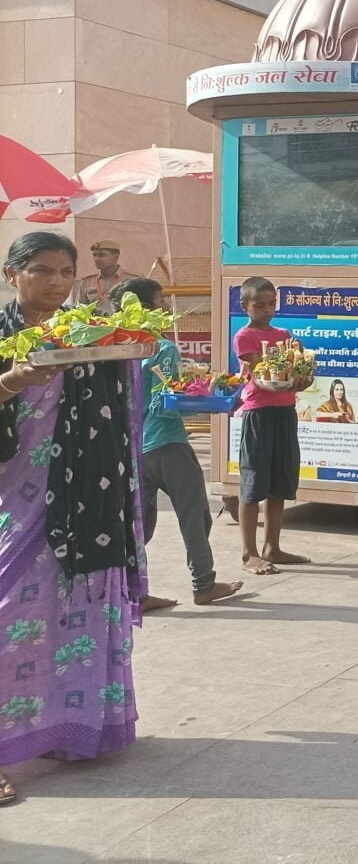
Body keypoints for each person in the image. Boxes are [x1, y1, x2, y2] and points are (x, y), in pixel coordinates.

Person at [0, 233, 145, 805]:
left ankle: (67, 724)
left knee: (69, 611)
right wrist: (11, 381)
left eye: (65, 272)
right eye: (41, 271)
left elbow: (124, 390)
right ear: (12, 273)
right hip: (14, 497)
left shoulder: (85, 333)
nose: (55, 283)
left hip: (85, 503)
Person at [113, 278, 242, 610]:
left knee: (139, 526)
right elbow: (162, 404)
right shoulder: (163, 348)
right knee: (196, 515)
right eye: (160, 300)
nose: (167, 306)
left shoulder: (116, 346)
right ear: (146, 308)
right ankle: (204, 585)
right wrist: (208, 400)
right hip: (167, 443)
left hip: (130, 448)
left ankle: (133, 593)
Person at [233, 276, 312, 575]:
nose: (267, 310)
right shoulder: (245, 336)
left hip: (285, 412)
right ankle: (248, 553)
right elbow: (262, 372)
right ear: (245, 306)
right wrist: (289, 371)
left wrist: (302, 373)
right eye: (260, 305)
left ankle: (272, 547)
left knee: (280, 483)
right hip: (259, 414)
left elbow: (296, 369)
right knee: (253, 484)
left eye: (271, 304)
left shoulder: (284, 334)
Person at [75, 240, 140, 308]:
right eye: (94, 255)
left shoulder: (133, 280)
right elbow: (79, 308)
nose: (96, 259)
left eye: (101, 255)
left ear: (116, 257)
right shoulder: (87, 282)